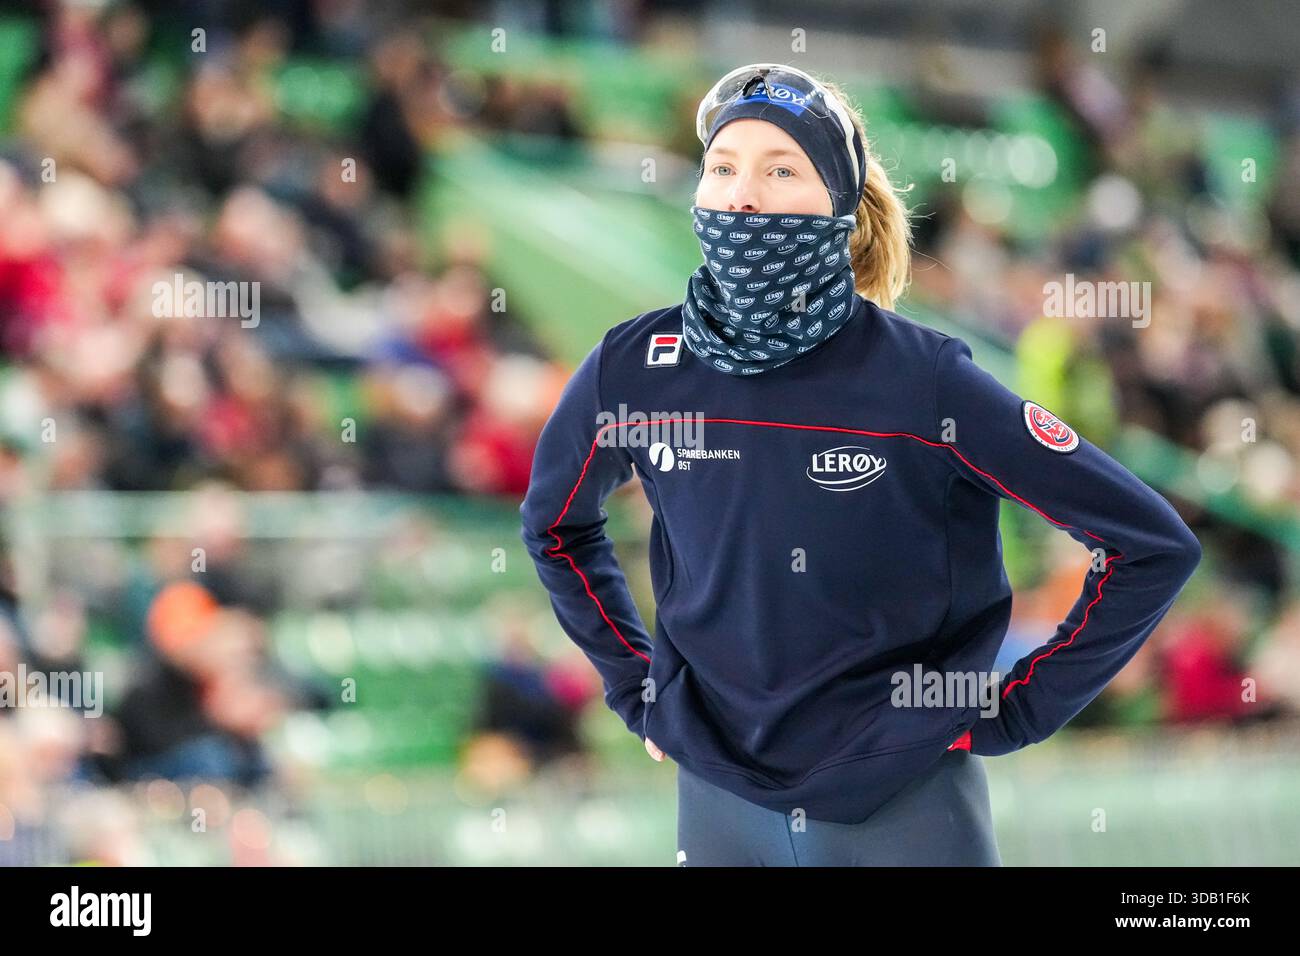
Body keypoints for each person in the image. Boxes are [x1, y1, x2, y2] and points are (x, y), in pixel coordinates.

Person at [519, 63, 1202, 866]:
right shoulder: (634, 367)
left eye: (781, 171)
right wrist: (639, 689)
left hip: (904, 807)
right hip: (718, 802)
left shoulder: (925, 379)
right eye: (722, 167)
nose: (742, 196)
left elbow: (1152, 545)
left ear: (838, 209)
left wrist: (1021, 706)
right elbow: (556, 527)